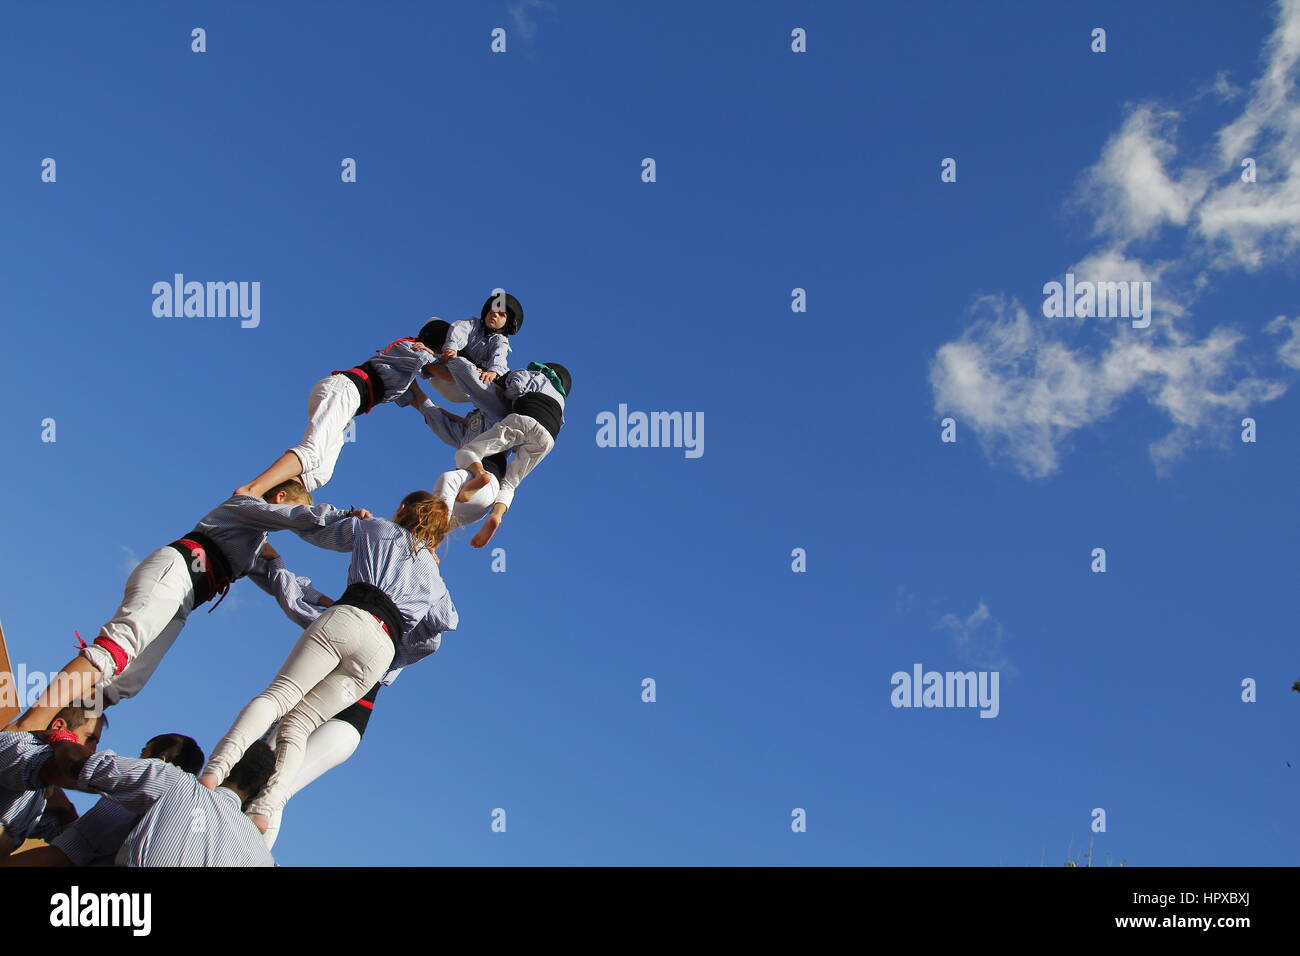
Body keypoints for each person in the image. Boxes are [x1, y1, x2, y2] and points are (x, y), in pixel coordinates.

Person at [5, 482, 357, 732]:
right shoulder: (243, 507)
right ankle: (28, 724)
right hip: (175, 570)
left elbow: (288, 586)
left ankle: (57, 730)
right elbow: (298, 517)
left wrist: (339, 607)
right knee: (117, 647)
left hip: (185, 598)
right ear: (280, 497)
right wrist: (345, 516)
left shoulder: (256, 548)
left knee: (124, 684)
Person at [199, 491, 454, 833]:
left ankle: (214, 772)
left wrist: (346, 517)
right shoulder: (435, 580)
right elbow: (442, 625)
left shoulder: (377, 528)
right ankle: (265, 808)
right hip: (381, 648)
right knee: (299, 725)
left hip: (352, 615)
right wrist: (398, 657)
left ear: (404, 508)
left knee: (279, 697)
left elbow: (315, 532)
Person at [234, 324, 449, 497]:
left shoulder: (406, 372)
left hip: (346, 399)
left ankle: (266, 499)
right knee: (313, 451)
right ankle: (252, 490)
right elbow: (444, 373)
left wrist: (462, 421)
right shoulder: (412, 348)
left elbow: (425, 405)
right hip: (345, 389)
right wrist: (458, 360)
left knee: (319, 473)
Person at [39, 738, 277, 866]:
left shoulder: (178, 785)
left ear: (220, 761)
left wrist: (59, 738)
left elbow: (82, 764)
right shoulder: (263, 858)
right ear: (256, 795)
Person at [0, 732, 203, 867]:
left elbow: (64, 855)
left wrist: (60, 739)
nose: (92, 749)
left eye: (143, 752)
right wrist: (69, 814)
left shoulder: (129, 803)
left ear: (160, 762)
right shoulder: (194, 827)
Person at [454, 361, 571, 547]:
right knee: (510, 483)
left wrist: (506, 392)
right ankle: (497, 515)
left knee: (469, 451)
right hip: (548, 438)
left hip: (524, 420)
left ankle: (480, 476)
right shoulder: (561, 401)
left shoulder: (534, 375)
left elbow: (515, 385)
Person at [0, 707, 104, 856]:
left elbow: (73, 844)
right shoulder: (21, 746)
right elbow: (56, 769)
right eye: (90, 738)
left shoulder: (43, 796)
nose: (93, 750)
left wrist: (67, 810)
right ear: (59, 728)